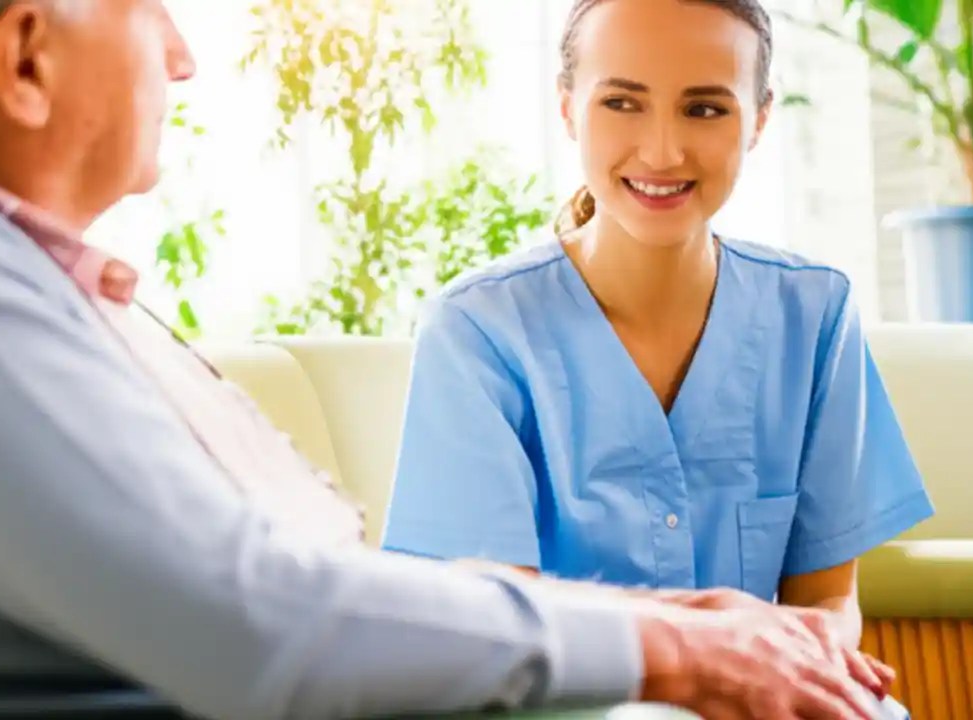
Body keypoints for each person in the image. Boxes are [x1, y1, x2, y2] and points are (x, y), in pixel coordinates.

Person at [0, 1, 888, 719]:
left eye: (702, 105)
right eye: (144, 9)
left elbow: (243, 585)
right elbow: (249, 621)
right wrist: (663, 646)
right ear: (24, 57)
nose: (181, 53)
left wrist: (684, 633)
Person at [384, 0, 934, 714]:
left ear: (759, 119)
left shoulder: (815, 315)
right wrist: (704, 668)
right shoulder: (479, 331)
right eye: (621, 102)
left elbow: (827, 596)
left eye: (705, 110)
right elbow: (499, 625)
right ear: (568, 109)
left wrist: (810, 669)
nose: (663, 151)